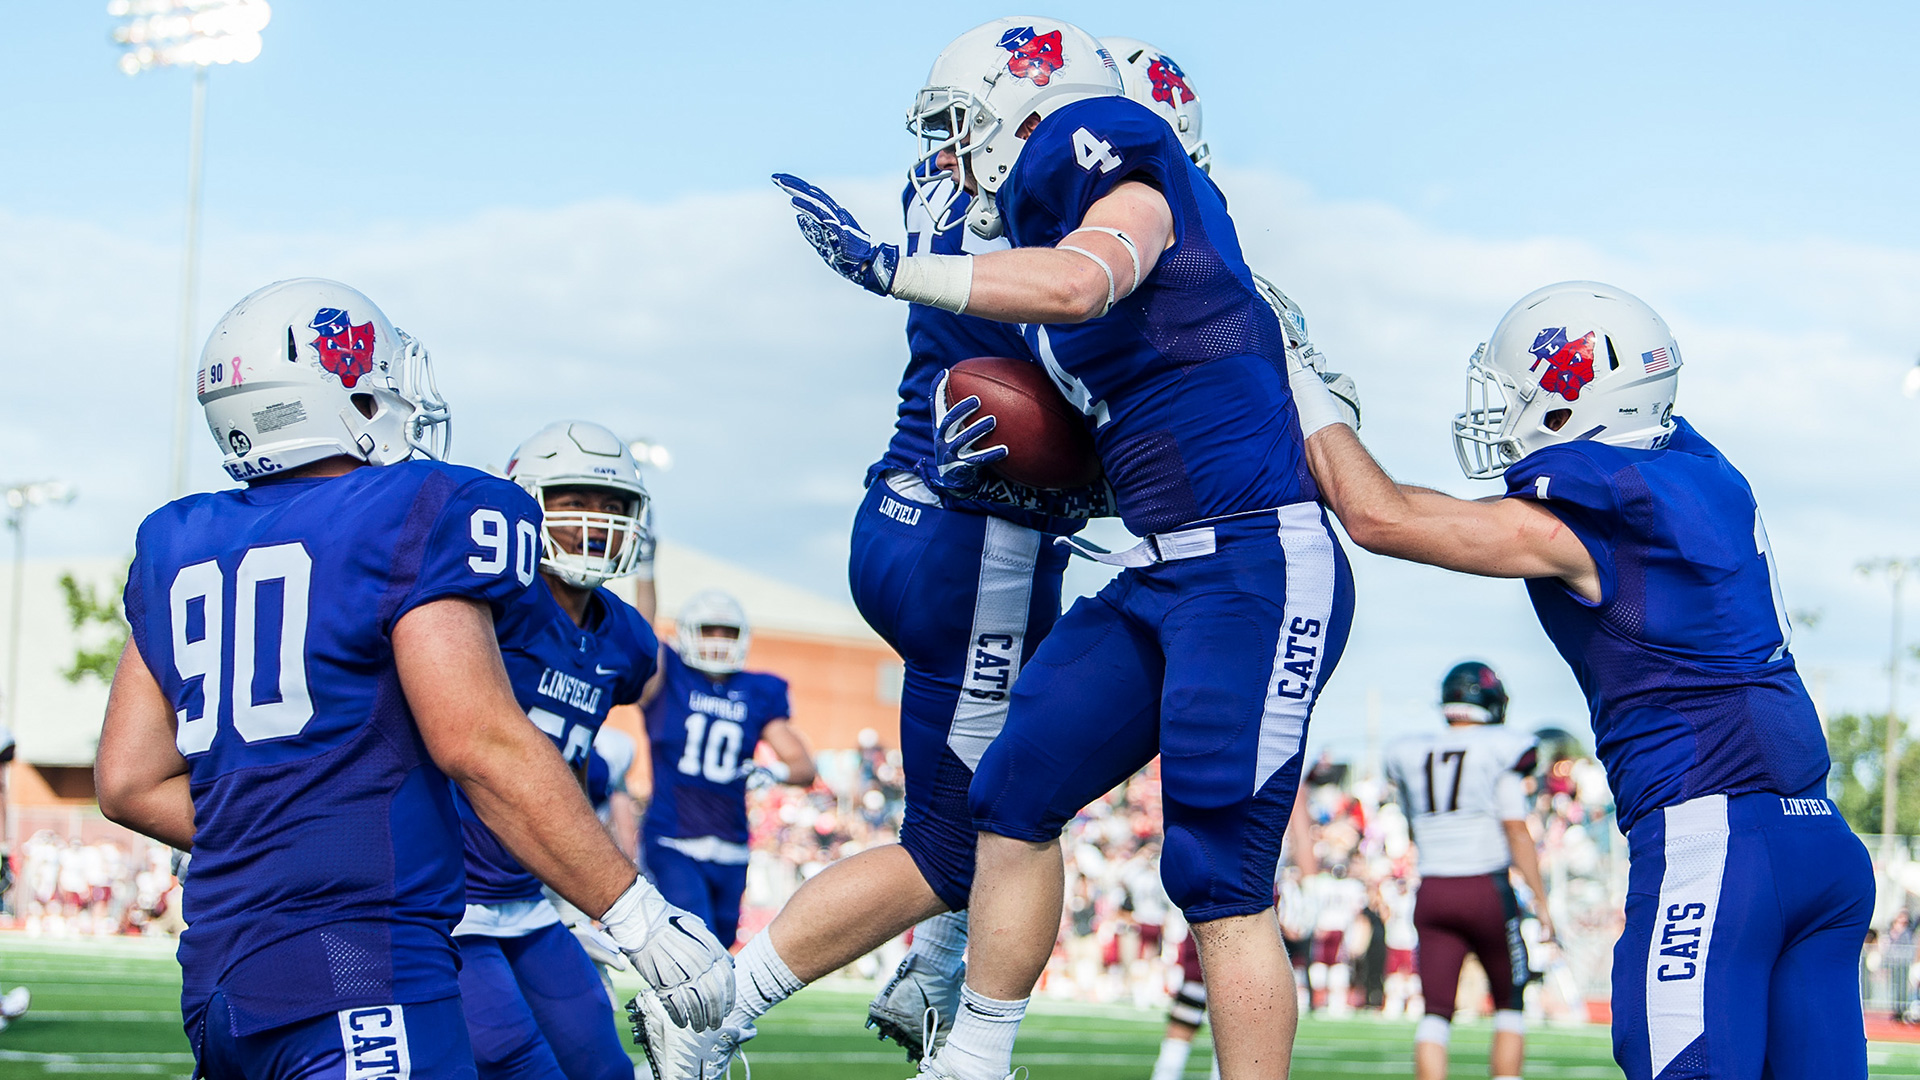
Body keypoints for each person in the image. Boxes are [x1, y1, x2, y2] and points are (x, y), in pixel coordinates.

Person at [772, 16, 1354, 1080]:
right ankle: (975, 1060)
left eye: (964, 129)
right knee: (1011, 788)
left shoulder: (1109, 169)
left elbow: (1081, 279)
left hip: (1252, 565)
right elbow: (1085, 405)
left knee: (1218, 878)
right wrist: (981, 463)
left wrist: (894, 269)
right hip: (1158, 567)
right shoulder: (1065, 290)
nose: (953, 157)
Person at [93, 279, 733, 1078]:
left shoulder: (175, 539)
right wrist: (635, 913)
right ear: (343, 399)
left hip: (222, 973)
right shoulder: (413, 507)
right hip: (362, 963)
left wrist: (276, 839)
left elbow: (126, 780)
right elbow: (480, 738)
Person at [1294, 280, 1873, 1080]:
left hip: (1716, 841)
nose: (1500, 417)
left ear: (1571, 402)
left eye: (1515, 395)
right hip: (1819, 840)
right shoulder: (1701, 472)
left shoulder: (1601, 519)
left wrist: (1300, 384)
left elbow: (1379, 515)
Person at [451, 420, 662, 1080]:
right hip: (444, 901)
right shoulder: (490, 600)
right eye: (573, 501)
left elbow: (563, 766)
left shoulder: (622, 638)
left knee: (602, 1064)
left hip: (525, 898)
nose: (594, 522)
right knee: (513, 1060)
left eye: (611, 505)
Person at [1383, 662, 1549, 1080]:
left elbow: (1410, 820)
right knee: (1510, 1004)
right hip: (1485, 888)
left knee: (1435, 1012)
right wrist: (1542, 902)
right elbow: (1515, 828)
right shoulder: (1502, 746)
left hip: (1434, 889)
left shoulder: (1408, 750)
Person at [639, 589, 816, 954]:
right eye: (708, 630)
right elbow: (641, 635)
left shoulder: (756, 690)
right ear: (688, 632)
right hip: (673, 839)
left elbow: (803, 767)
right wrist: (645, 571)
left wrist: (775, 773)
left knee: (720, 949)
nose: (718, 640)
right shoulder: (669, 677)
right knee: (693, 942)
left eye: (727, 632)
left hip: (732, 845)